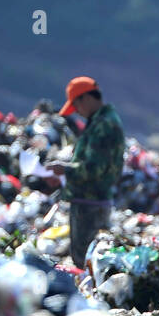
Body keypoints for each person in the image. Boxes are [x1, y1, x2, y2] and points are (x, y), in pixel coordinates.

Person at [45, 76, 125, 268]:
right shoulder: (100, 121)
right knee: (88, 260)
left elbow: (95, 168)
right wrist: (65, 174)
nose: (78, 112)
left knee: (85, 261)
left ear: (86, 98)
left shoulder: (103, 125)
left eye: (76, 106)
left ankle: (87, 298)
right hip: (90, 200)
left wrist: (64, 170)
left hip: (91, 203)